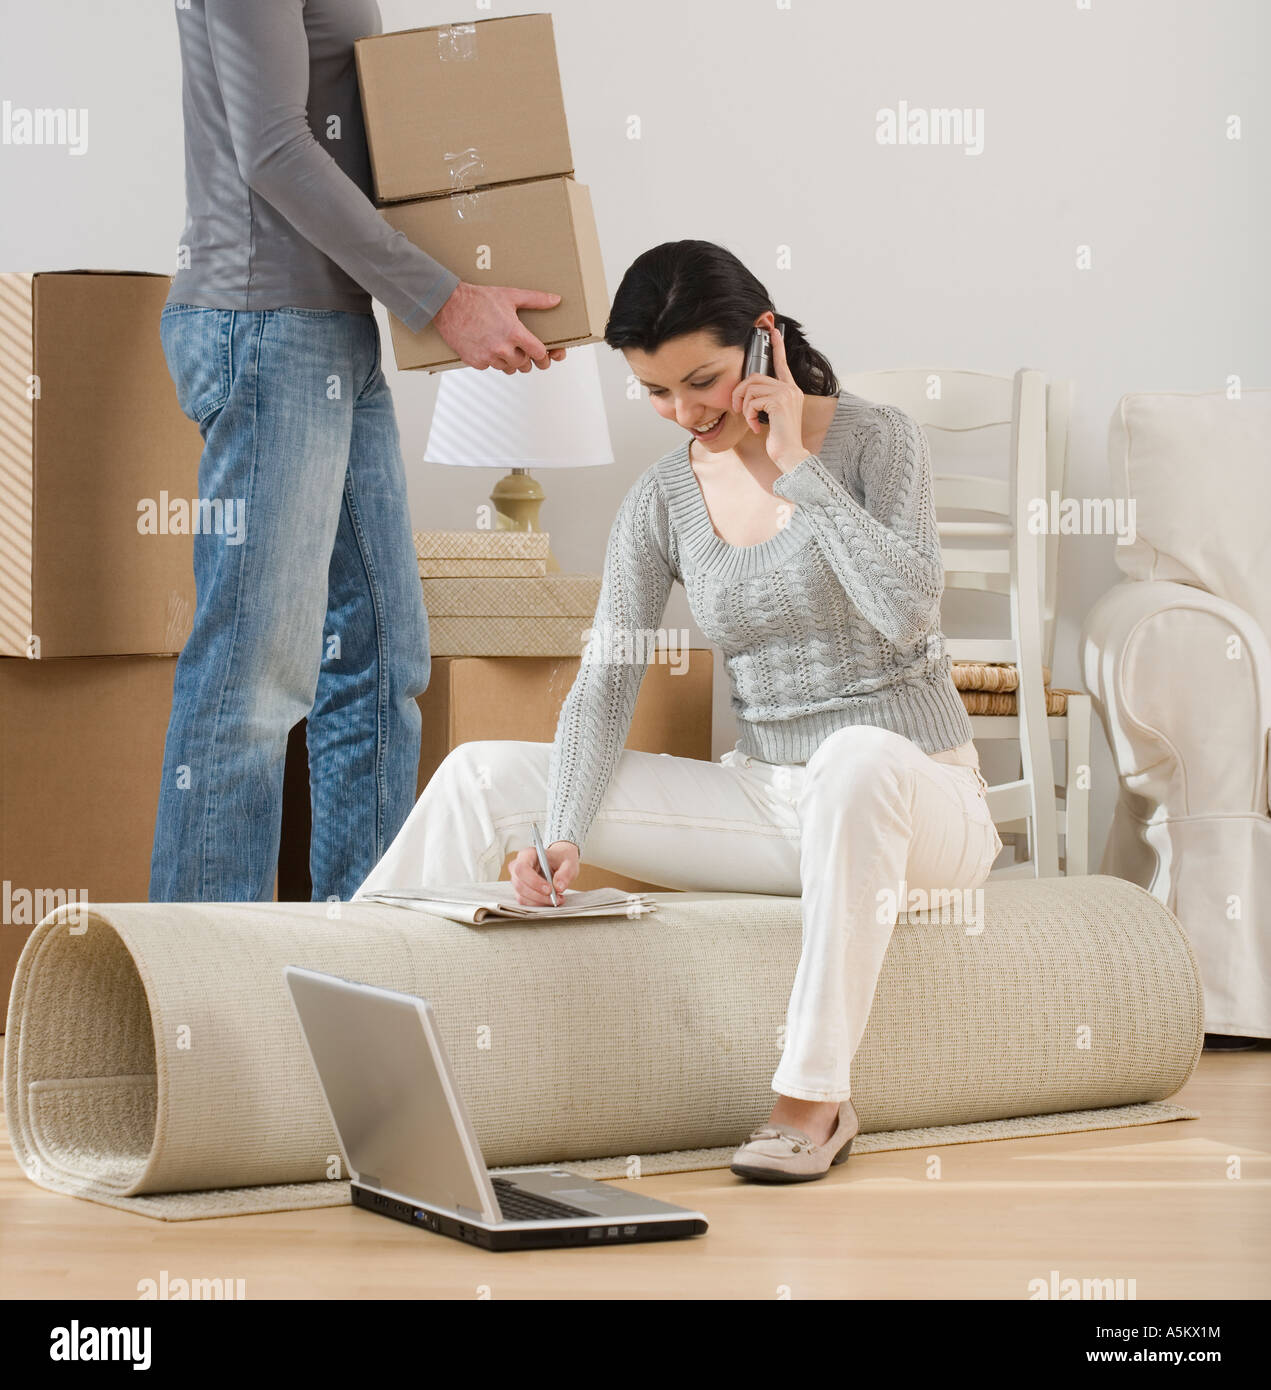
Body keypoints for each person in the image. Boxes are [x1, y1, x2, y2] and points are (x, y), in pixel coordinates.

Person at [353, 240, 1004, 1184]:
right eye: (658, 393)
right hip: (772, 799)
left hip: (917, 799)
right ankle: (352, 1040)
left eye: (700, 380)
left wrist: (796, 469)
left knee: (858, 758)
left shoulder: (876, 440)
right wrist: (562, 829)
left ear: (763, 339)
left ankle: (810, 1103)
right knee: (482, 776)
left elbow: (906, 612)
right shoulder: (662, 498)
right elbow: (605, 679)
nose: (686, 414)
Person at [151, 0, 566, 903]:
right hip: (265, 324)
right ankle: (203, 1003)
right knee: (255, 681)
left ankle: (360, 962)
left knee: (380, 666)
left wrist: (488, 249)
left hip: (334, 330)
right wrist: (443, 297)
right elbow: (271, 148)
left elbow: (366, 136)